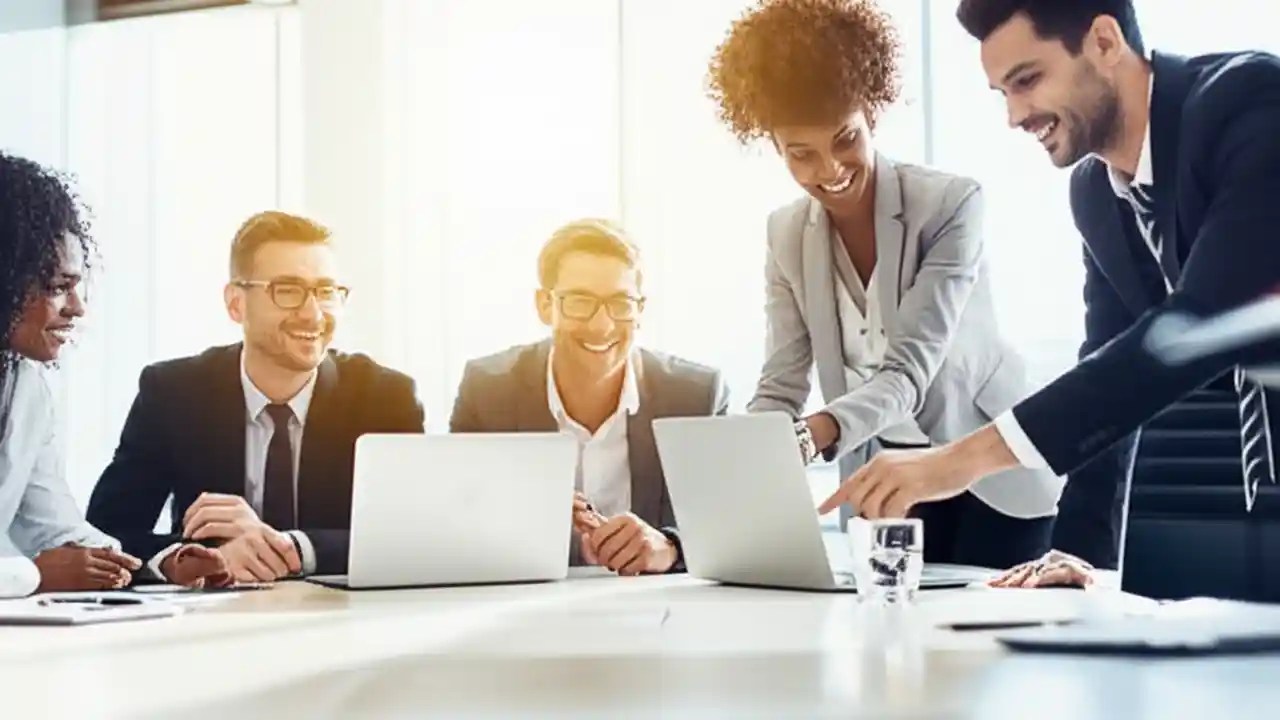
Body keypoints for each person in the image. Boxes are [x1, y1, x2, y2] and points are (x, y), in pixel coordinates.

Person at [820, 0, 1280, 586]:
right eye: (1002, 94)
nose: (1015, 116)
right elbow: (1108, 369)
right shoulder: (1097, 194)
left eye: (1028, 80)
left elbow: (1202, 319)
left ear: (1105, 42)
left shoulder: (1249, 101)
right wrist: (1079, 554)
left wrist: (960, 460)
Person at [705, 0, 1062, 568]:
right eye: (801, 154)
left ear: (870, 113)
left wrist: (813, 433)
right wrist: (747, 456)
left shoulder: (949, 204)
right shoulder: (785, 235)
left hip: (989, 472)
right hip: (882, 482)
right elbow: (780, 386)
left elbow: (909, 372)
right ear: (774, 146)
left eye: (845, 139)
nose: (829, 169)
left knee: (986, 621)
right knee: (885, 620)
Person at [87, 211, 424, 584]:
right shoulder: (173, 393)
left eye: (326, 291)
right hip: (213, 611)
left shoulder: (385, 397)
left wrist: (293, 548)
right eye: (288, 290)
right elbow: (104, 534)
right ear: (236, 303)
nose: (313, 314)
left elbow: (412, 536)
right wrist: (187, 559)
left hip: (345, 611)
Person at [0, 151, 228, 598]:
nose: (77, 308)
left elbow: (56, 530)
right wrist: (35, 576)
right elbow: (45, 566)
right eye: (58, 288)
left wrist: (161, 564)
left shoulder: (26, 387)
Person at [450, 219, 728, 575]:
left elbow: (730, 525)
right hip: (529, 600)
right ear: (544, 305)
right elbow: (456, 518)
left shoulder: (696, 397)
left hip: (653, 603)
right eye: (580, 302)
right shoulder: (487, 391)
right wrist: (525, 514)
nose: (602, 325)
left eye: (620, 303)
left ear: (640, 310)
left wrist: (671, 546)